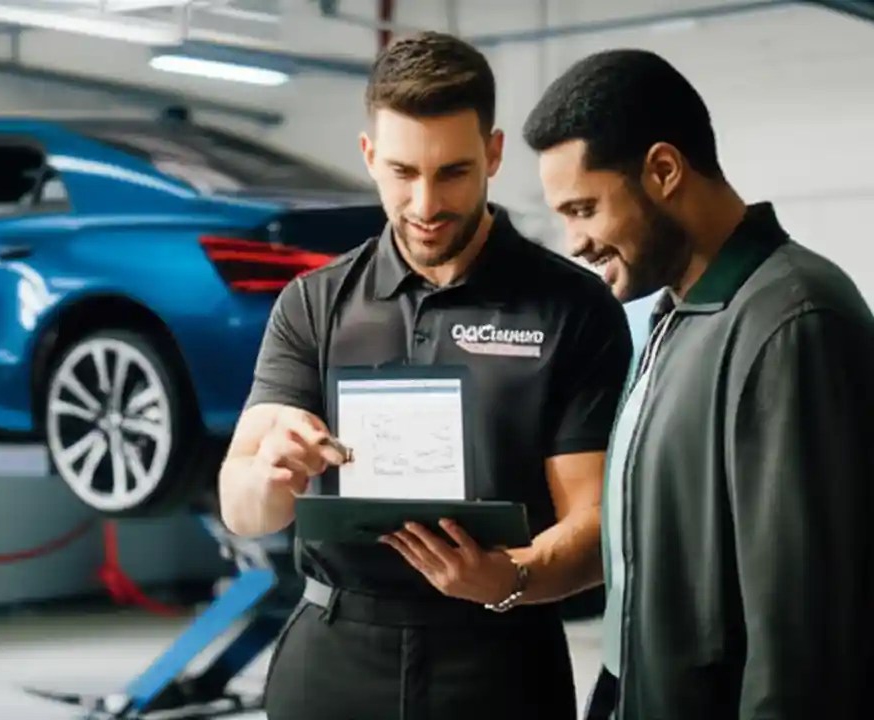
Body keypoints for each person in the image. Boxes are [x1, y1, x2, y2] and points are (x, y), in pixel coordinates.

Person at [218, 31, 633, 719]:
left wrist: (510, 577)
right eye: (402, 172)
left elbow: (595, 525)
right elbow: (241, 505)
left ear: (493, 154)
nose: (425, 204)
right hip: (334, 657)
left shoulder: (572, 309)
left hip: (500, 658)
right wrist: (270, 474)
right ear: (369, 155)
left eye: (453, 173)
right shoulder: (314, 304)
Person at [522, 48, 874, 719]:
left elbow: (805, 639)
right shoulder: (674, 316)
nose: (574, 241)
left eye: (585, 208)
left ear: (663, 170)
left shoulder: (793, 323)